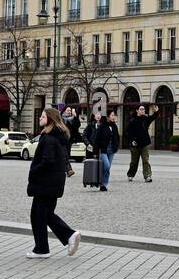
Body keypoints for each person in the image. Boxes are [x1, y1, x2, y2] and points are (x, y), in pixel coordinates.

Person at [25, 106, 83, 259]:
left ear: (49, 119)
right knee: (43, 214)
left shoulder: (49, 137)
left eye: (42, 116)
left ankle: (65, 237)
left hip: (46, 183)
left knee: (39, 214)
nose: (39, 118)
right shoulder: (58, 136)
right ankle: (43, 247)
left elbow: (47, 161)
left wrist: (34, 170)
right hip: (53, 182)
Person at [124, 103, 157, 183]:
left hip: (144, 143)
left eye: (143, 109)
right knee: (134, 162)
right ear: (137, 110)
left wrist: (156, 112)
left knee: (146, 160)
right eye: (141, 109)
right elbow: (127, 132)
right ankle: (130, 175)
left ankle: (147, 176)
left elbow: (152, 118)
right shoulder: (132, 121)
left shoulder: (145, 119)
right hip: (135, 145)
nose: (143, 111)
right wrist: (132, 141)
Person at [93, 109, 120, 192]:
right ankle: (101, 182)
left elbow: (117, 137)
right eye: (112, 115)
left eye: (114, 115)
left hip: (111, 150)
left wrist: (116, 146)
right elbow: (96, 139)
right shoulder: (102, 126)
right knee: (106, 166)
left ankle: (104, 184)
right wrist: (95, 152)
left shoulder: (114, 126)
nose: (114, 117)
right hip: (103, 150)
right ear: (108, 116)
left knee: (107, 168)